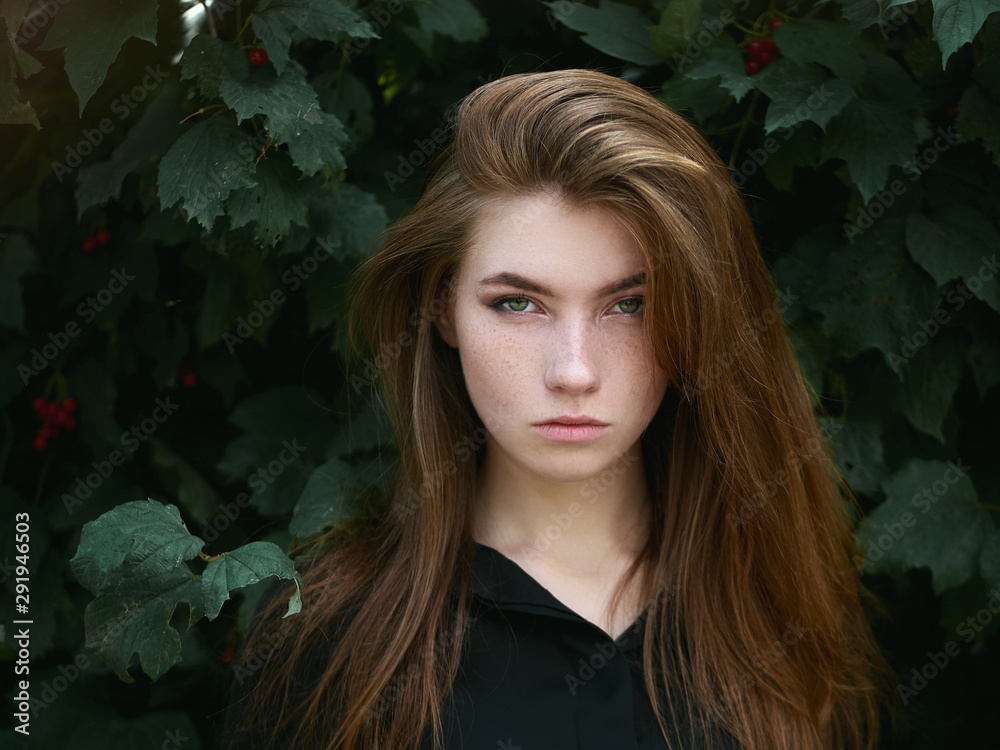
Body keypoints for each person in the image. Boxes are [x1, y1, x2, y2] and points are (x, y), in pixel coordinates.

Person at [220, 68, 897, 750]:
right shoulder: (325, 640)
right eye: (517, 303)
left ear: (699, 317)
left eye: (630, 305)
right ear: (439, 308)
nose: (574, 370)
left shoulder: (789, 618)